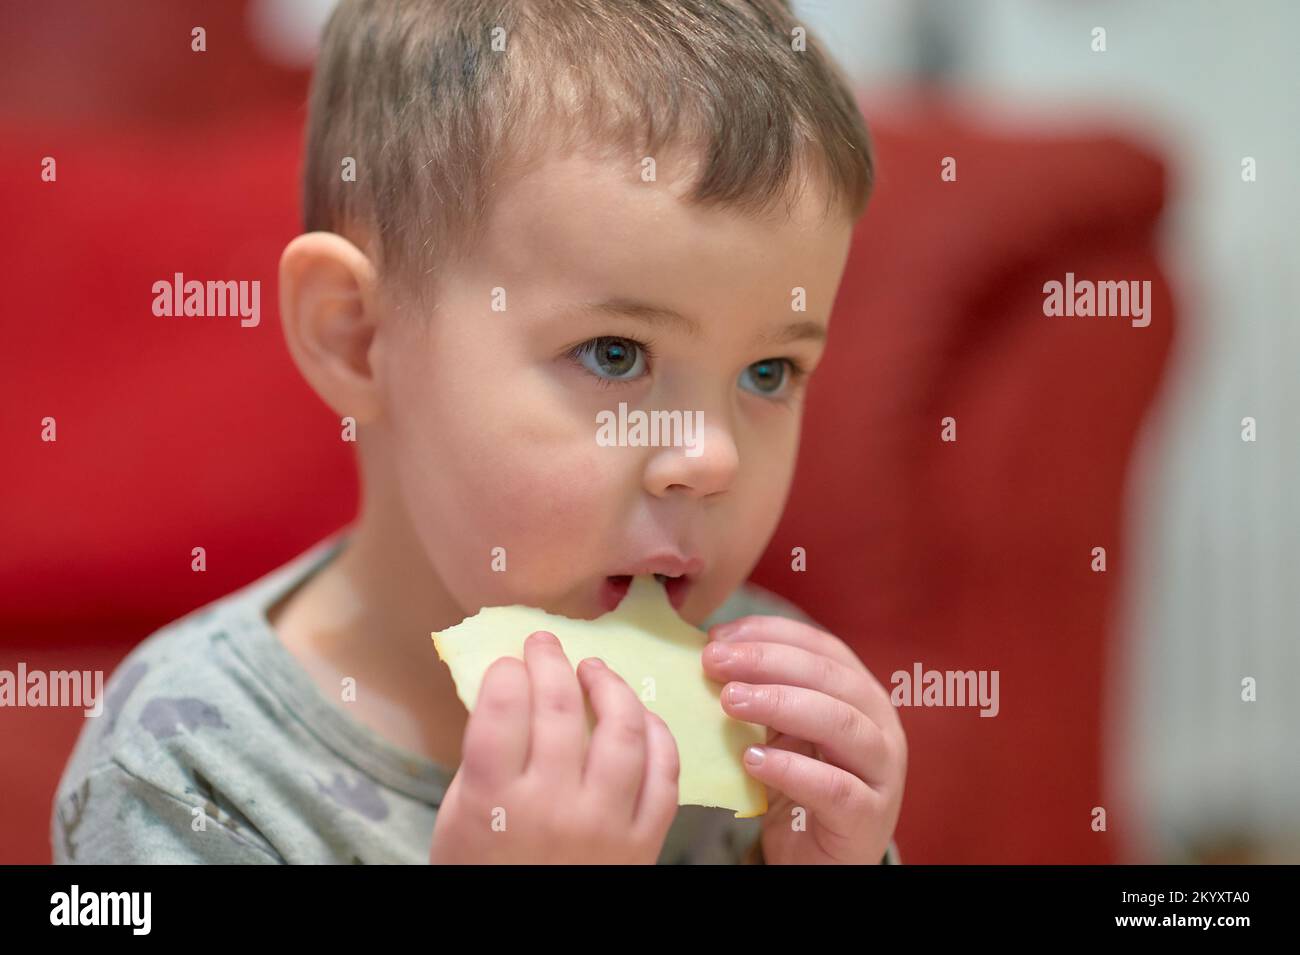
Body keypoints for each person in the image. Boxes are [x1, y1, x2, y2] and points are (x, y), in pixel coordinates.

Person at [53, 0, 905, 865]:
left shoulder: (767, 723)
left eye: (770, 372)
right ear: (358, 335)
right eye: (616, 354)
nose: (714, 459)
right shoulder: (189, 764)